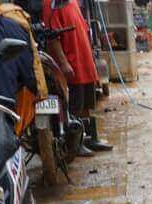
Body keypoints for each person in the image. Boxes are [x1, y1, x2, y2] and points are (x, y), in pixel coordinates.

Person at [43, 0, 111, 153]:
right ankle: (76, 144)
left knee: (87, 103)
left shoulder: (72, 2)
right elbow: (52, 38)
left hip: (84, 60)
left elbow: (84, 30)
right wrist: (63, 63)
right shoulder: (51, 3)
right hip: (72, 62)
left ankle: (90, 138)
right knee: (75, 105)